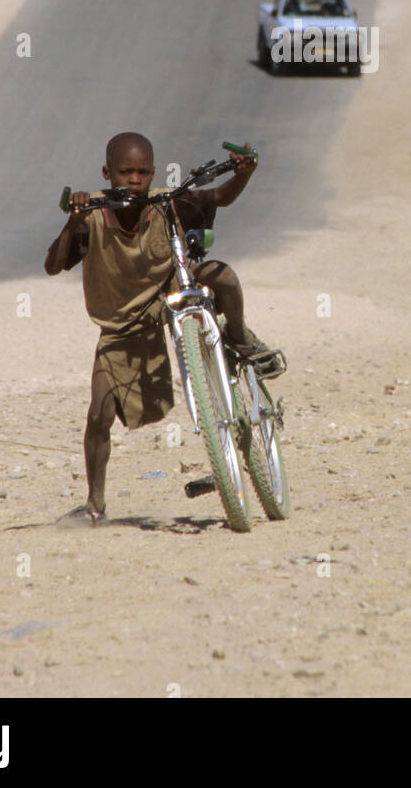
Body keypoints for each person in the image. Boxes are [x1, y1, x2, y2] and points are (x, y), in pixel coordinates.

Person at [45, 133, 284, 525]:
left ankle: (240, 338)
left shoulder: (166, 202)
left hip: (171, 292)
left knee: (221, 275)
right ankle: (95, 503)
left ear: (153, 172)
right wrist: (73, 221)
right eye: (124, 172)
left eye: (142, 172)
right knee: (99, 414)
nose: (134, 180)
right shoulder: (91, 214)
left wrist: (245, 173)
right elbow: (53, 265)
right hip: (123, 325)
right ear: (107, 173)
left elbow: (219, 197)